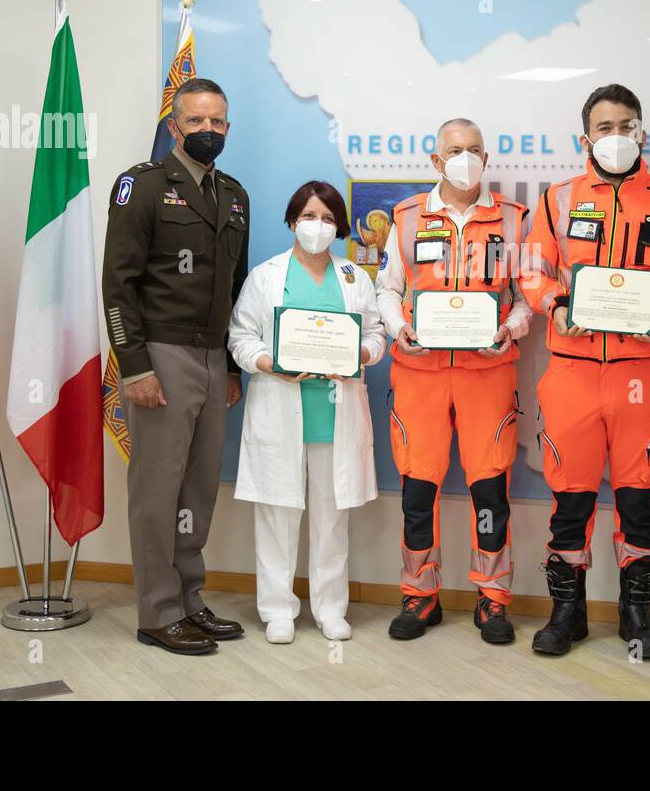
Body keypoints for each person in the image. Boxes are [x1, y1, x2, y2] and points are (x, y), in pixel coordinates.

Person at [520, 84, 650, 660]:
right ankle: (567, 614)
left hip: (644, 372)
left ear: (642, 132)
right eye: (605, 128)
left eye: (627, 126)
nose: (617, 136)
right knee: (569, 500)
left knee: (638, 500)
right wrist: (556, 303)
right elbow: (532, 271)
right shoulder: (557, 199)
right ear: (586, 137)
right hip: (573, 370)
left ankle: (637, 618)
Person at [102, 77, 249, 655]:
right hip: (161, 355)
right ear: (174, 126)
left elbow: (235, 287)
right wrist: (133, 366)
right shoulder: (140, 187)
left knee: (198, 489)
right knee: (157, 490)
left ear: (227, 128)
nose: (207, 131)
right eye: (196, 122)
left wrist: (235, 367)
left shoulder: (234, 195)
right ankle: (157, 611)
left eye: (217, 122)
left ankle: (190, 599)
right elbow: (119, 285)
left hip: (216, 357)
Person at [374, 118, 531, 644]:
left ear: (487, 157)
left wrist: (510, 330)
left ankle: (493, 598)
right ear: (437, 161)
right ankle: (420, 595)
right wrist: (401, 328)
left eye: (475, 149)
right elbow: (387, 290)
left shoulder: (514, 220)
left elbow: (529, 295)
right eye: (455, 150)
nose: (466, 158)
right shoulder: (406, 218)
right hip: (419, 373)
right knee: (418, 488)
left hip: (488, 373)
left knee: (491, 489)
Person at [228, 181, 385, 644]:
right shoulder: (266, 276)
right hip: (280, 409)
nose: (318, 226)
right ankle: (277, 608)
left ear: (338, 227)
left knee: (331, 516)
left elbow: (376, 333)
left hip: (335, 413)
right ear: (292, 221)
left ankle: (330, 608)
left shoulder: (355, 277)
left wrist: (363, 353)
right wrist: (267, 362)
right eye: (309, 216)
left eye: (328, 218)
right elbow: (241, 337)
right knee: (277, 513)